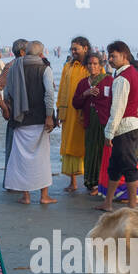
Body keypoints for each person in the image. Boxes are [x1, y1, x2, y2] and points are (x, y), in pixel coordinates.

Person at [3, 40, 58, 204]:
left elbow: (7, 94)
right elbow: (49, 94)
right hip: (40, 119)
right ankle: (44, 196)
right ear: (41, 54)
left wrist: (9, 112)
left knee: (21, 159)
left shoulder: (14, 68)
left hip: (20, 119)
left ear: (25, 52)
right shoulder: (44, 68)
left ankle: (26, 197)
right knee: (42, 158)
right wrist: (49, 116)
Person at [95, 40, 138, 212]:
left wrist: (109, 133)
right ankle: (108, 203)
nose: (110, 59)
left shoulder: (122, 78)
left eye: (113, 56)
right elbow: (136, 103)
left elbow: (117, 109)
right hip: (131, 126)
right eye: (109, 56)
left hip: (124, 128)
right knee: (114, 166)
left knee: (128, 166)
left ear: (124, 56)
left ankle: (132, 205)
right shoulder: (132, 73)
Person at [72, 51, 111, 196]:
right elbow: (75, 103)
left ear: (101, 65)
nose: (92, 66)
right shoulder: (83, 83)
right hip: (89, 122)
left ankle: (102, 184)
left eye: (95, 64)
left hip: (104, 122)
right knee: (90, 152)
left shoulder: (109, 81)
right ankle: (91, 182)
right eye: (89, 64)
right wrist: (85, 94)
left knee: (102, 153)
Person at [0, 38, 27, 186]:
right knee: (13, 150)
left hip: (23, 115)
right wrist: (4, 108)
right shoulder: (12, 66)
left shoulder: (25, 65)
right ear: (23, 52)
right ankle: (13, 184)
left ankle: (18, 183)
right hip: (15, 114)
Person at [56, 36, 89, 193]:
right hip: (69, 113)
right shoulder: (68, 67)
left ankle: (91, 182)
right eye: (72, 49)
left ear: (85, 48)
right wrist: (59, 111)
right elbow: (62, 90)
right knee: (69, 145)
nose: (74, 51)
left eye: (76, 48)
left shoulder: (93, 66)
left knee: (88, 146)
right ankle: (73, 181)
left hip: (87, 113)